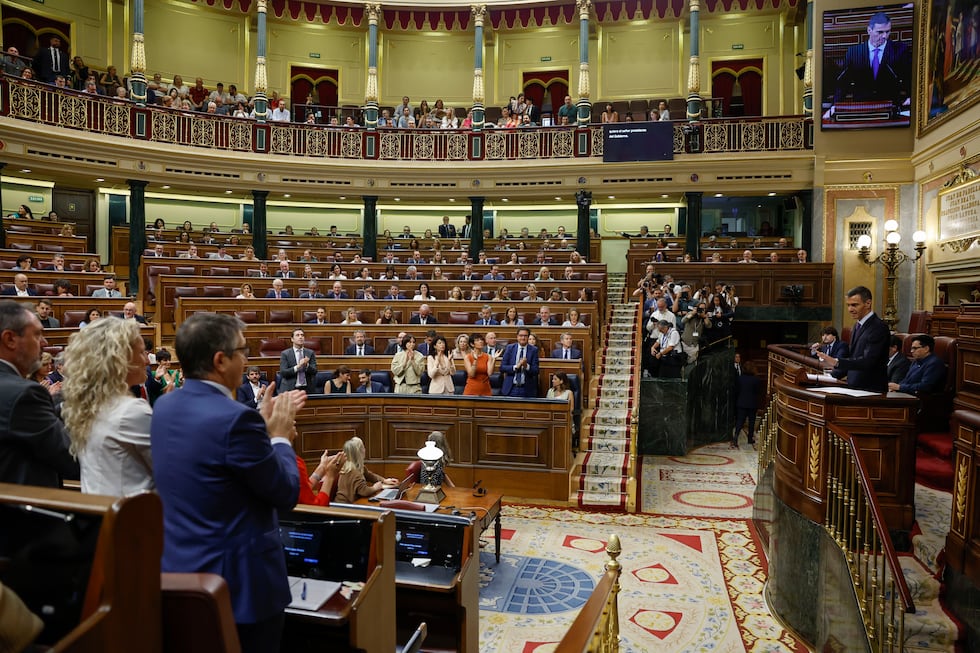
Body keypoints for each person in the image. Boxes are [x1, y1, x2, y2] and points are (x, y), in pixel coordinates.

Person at [151, 312, 305, 651]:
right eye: (243, 350)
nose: (247, 357)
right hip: (240, 587)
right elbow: (284, 493)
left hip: (179, 571)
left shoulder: (164, 406)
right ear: (220, 361)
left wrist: (259, 430)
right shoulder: (236, 420)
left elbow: (219, 469)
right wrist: (279, 438)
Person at [61, 317, 154, 495]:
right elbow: (168, 472)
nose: (147, 361)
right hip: (132, 515)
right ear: (119, 359)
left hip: (97, 511)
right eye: (142, 353)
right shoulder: (131, 411)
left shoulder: (86, 405)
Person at [0, 302, 78, 486]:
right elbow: (70, 457)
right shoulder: (24, 394)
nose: (44, 342)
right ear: (10, 339)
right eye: (37, 334)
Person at [818, 286, 889, 393]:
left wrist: (837, 362)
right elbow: (853, 357)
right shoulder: (857, 325)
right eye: (848, 305)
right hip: (855, 387)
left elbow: (868, 361)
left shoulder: (878, 327)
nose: (850, 309)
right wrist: (829, 376)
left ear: (868, 303)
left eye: (854, 305)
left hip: (870, 389)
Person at [834, 12, 912, 107]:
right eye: (880, 32)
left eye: (887, 32)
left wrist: (911, 96)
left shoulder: (900, 50)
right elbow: (843, 83)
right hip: (862, 107)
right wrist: (835, 106)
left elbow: (909, 78)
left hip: (891, 107)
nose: (884, 36)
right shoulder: (854, 52)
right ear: (869, 30)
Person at [335, 436, 398, 503]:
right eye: (363, 448)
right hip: (344, 506)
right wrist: (375, 488)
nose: (365, 449)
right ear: (359, 453)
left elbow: (370, 476)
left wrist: (384, 480)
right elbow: (364, 491)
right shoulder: (355, 473)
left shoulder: (355, 467)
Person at [732, 360, 763, 448]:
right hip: (752, 403)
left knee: (740, 421)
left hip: (741, 402)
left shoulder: (740, 378)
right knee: (751, 422)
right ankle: (750, 438)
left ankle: (736, 437)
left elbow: (736, 390)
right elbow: (758, 392)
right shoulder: (756, 379)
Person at [500, 327, 539, 397]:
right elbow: (502, 367)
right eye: (521, 335)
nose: (523, 338)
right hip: (511, 388)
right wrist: (515, 367)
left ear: (528, 337)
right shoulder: (510, 348)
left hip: (526, 389)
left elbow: (536, 370)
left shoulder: (534, 350)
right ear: (517, 336)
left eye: (525, 336)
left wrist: (526, 366)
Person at [279, 328, 317, 392]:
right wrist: (298, 366)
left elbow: (315, 371)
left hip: (307, 389)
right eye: (297, 335)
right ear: (292, 339)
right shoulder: (285, 354)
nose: (300, 337)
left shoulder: (310, 353)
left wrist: (307, 365)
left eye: (302, 335)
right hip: (290, 389)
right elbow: (283, 373)